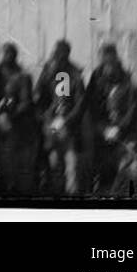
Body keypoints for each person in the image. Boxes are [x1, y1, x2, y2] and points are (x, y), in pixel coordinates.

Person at [87, 43, 137, 194]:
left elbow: (132, 108)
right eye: (105, 62)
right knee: (98, 163)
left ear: (116, 60)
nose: (108, 67)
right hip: (101, 129)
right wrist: (103, 129)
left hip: (121, 130)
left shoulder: (126, 78)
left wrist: (118, 128)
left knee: (124, 165)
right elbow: (91, 107)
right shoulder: (96, 76)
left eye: (111, 62)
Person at [35, 40, 87, 195]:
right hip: (52, 126)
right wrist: (48, 119)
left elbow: (80, 103)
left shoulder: (75, 73)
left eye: (62, 54)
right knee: (55, 164)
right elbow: (38, 98)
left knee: (72, 167)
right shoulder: (48, 71)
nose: (59, 57)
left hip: (69, 128)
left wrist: (66, 120)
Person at [0, 43, 38, 195]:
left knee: (16, 164)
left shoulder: (23, 76)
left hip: (17, 125)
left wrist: (9, 117)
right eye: (5, 54)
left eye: (10, 54)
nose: (7, 57)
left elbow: (26, 102)